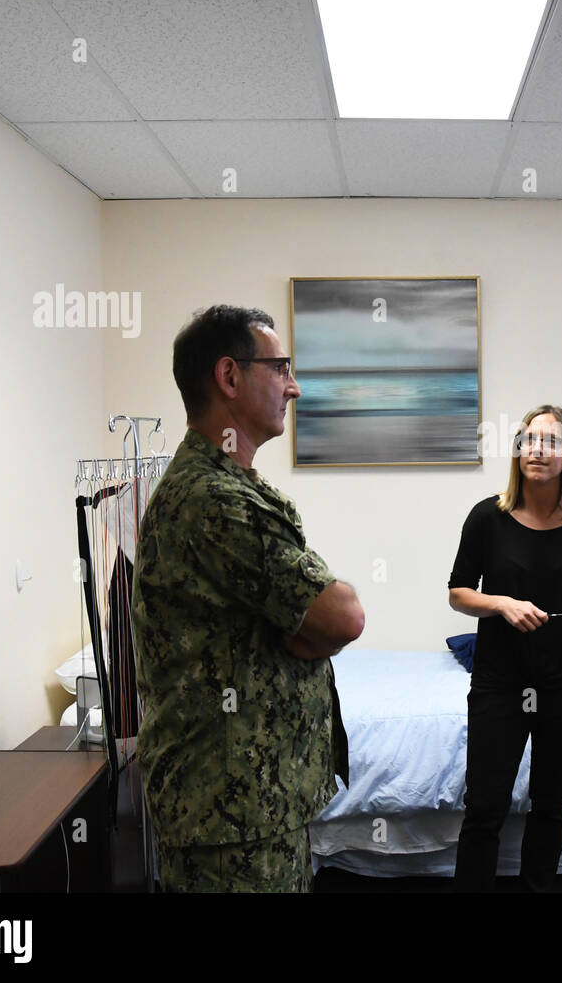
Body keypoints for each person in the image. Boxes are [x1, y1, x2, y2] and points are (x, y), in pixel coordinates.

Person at [131, 304, 365, 892]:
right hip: (230, 817)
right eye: (280, 366)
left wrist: (308, 633)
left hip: (249, 805)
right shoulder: (215, 500)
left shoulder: (226, 486)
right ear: (229, 377)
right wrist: (313, 636)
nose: (295, 386)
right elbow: (344, 615)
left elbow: (322, 615)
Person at [447, 404, 562, 891]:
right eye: (528, 440)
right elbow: (458, 593)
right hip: (501, 682)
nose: (536, 450)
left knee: (550, 804)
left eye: (549, 441)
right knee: (484, 807)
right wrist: (501, 604)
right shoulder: (487, 517)